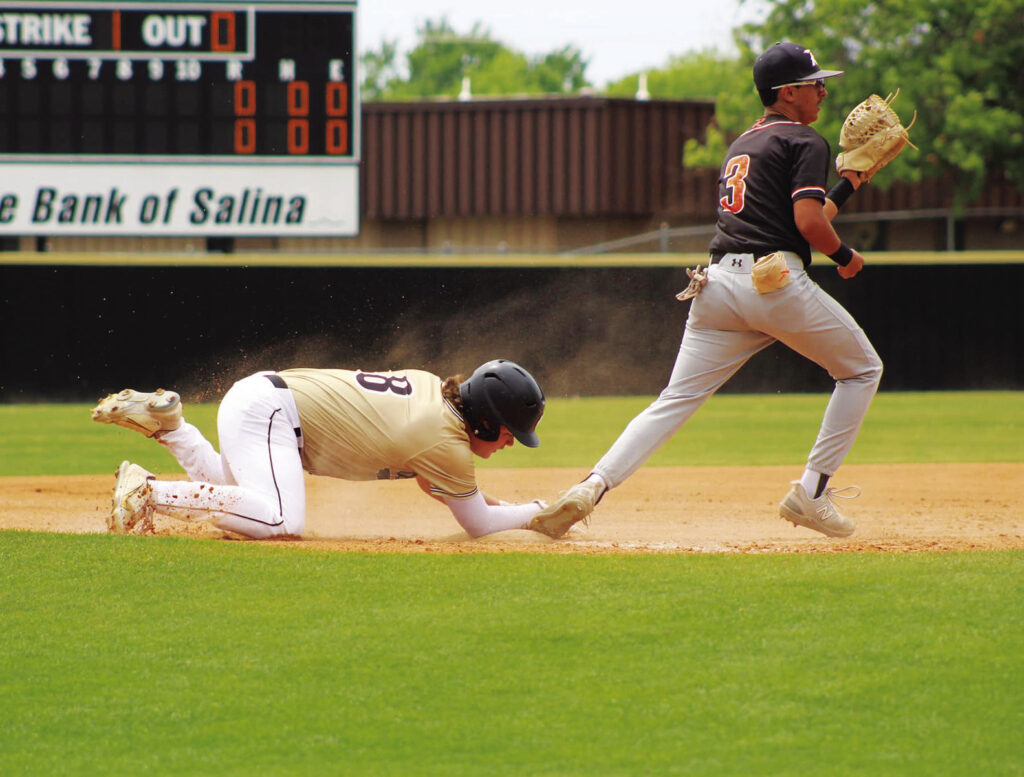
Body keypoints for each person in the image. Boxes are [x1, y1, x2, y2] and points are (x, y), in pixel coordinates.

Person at [529, 41, 882, 540]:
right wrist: (845, 257)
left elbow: (802, 216)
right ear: (785, 93)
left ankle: (591, 486)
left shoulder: (745, 143)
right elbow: (807, 223)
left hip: (716, 285)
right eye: (813, 82)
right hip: (773, 281)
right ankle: (812, 493)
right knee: (862, 369)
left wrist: (847, 185)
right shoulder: (806, 140)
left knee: (673, 401)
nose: (823, 90)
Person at [91, 359, 549, 539]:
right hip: (271, 414)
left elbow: (449, 493)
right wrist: (541, 511)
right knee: (279, 521)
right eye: (509, 431)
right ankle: (148, 493)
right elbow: (480, 524)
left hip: (263, 403)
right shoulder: (442, 441)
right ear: (486, 418)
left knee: (230, 494)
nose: (510, 442)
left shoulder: (436, 400)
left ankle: (171, 428)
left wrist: (523, 509)